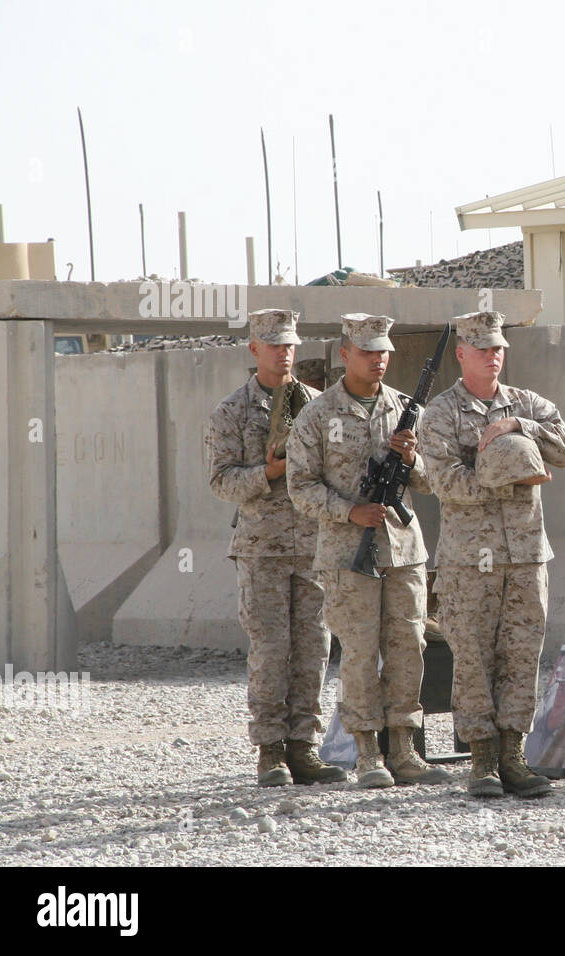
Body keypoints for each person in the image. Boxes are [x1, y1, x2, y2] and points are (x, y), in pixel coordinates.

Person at [286, 313, 448, 789]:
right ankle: (367, 753)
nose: (378, 360)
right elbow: (299, 487)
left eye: (384, 353)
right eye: (368, 351)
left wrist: (411, 457)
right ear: (346, 354)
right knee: (359, 652)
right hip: (346, 553)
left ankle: (404, 748)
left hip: (403, 550)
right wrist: (348, 512)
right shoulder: (318, 415)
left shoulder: (405, 409)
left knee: (408, 647)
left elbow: (435, 481)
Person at [422, 310, 565, 798]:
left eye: (499, 349)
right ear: (462, 354)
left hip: (526, 554)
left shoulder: (526, 403)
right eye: (483, 349)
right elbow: (444, 482)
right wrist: (502, 475)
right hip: (471, 559)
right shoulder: (441, 414)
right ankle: (482, 760)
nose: (493, 356)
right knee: (472, 657)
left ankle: (514, 755)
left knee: (521, 655)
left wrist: (519, 426)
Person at [205, 308, 346, 787]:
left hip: (312, 545)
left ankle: (304, 746)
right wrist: (267, 474)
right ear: (255, 349)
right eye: (275, 345)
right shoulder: (232, 411)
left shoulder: (318, 406)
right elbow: (221, 481)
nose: (284, 353)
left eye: (290, 345)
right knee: (270, 648)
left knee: (313, 648)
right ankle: (270, 751)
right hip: (261, 547)